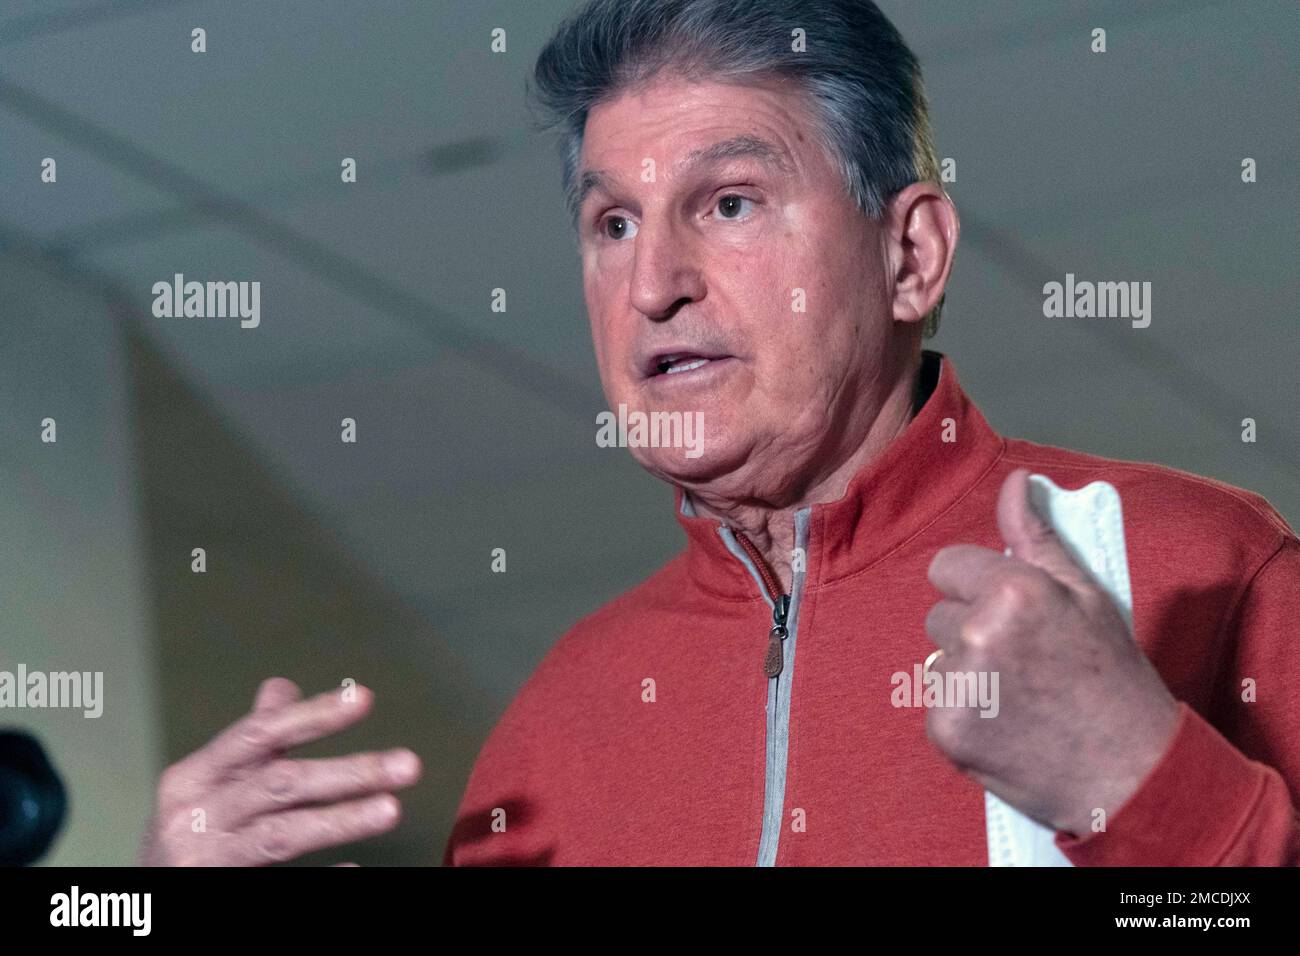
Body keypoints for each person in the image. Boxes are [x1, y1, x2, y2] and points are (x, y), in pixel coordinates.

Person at [139, 0, 1300, 867]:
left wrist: (1136, 784)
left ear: (911, 256)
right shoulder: (551, 734)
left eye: (728, 200)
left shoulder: (1202, 567)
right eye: (610, 222)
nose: (651, 284)